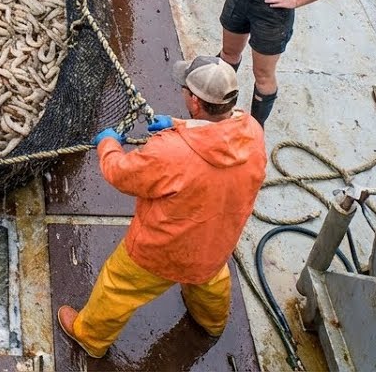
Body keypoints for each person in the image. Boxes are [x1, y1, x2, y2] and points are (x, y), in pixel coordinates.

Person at [57, 56, 266, 358]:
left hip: (161, 250)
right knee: (210, 280)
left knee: (118, 286)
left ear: (195, 101)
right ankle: (212, 323)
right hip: (216, 243)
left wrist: (108, 144)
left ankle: (89, 337)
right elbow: (215, 135)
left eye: (185, 89)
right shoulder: (253, 131)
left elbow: (121, 174)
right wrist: (180, 125)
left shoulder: (168, 151)